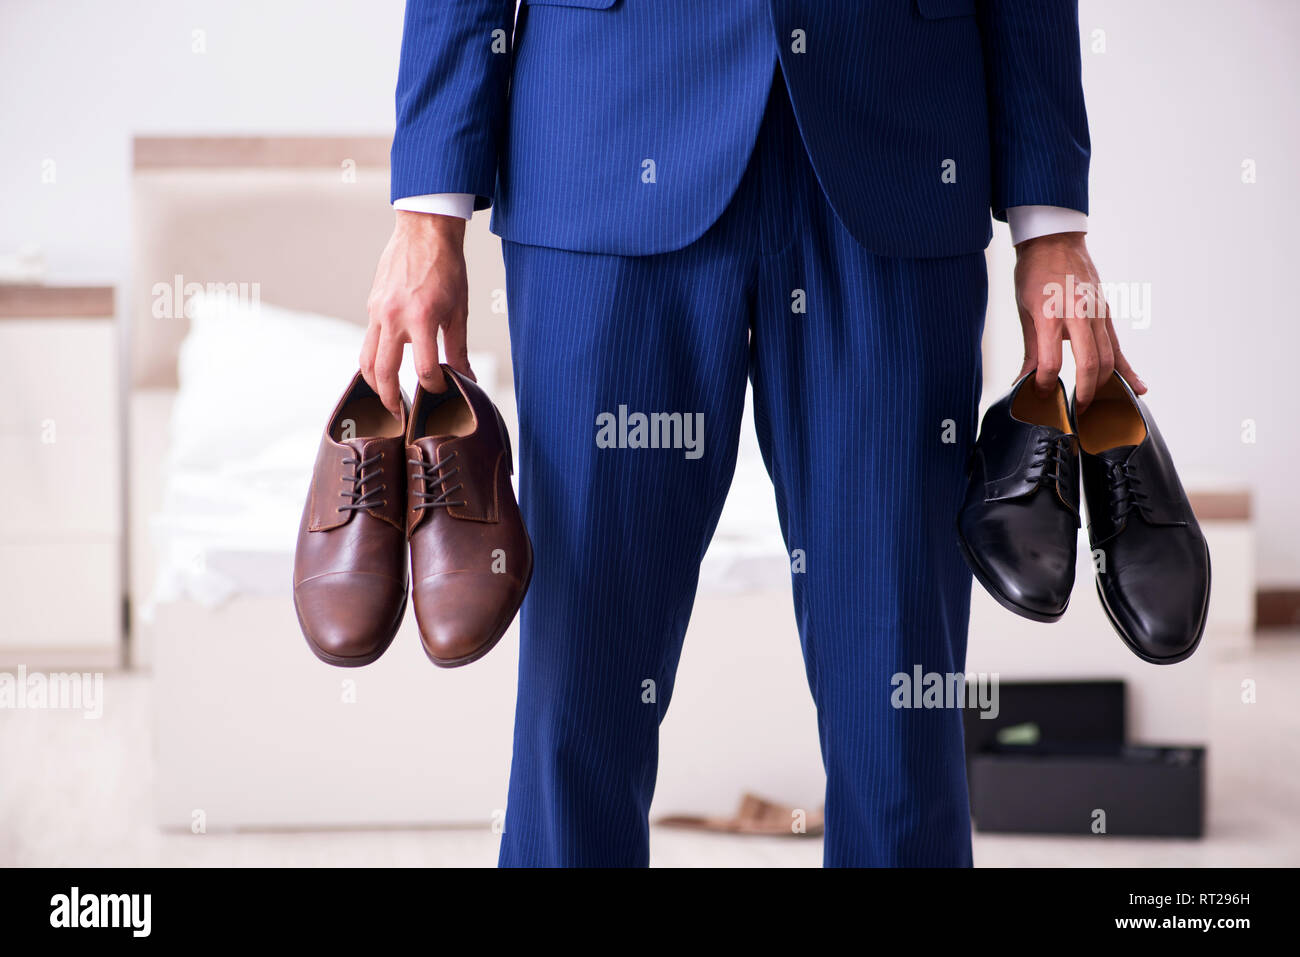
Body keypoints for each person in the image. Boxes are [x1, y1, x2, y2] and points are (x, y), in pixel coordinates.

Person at [362, 0, 1143, 867]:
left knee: (899, 708)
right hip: (608, 132)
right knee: (579, 693)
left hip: (897, 138)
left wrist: (1051, 222)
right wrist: (427, 212)